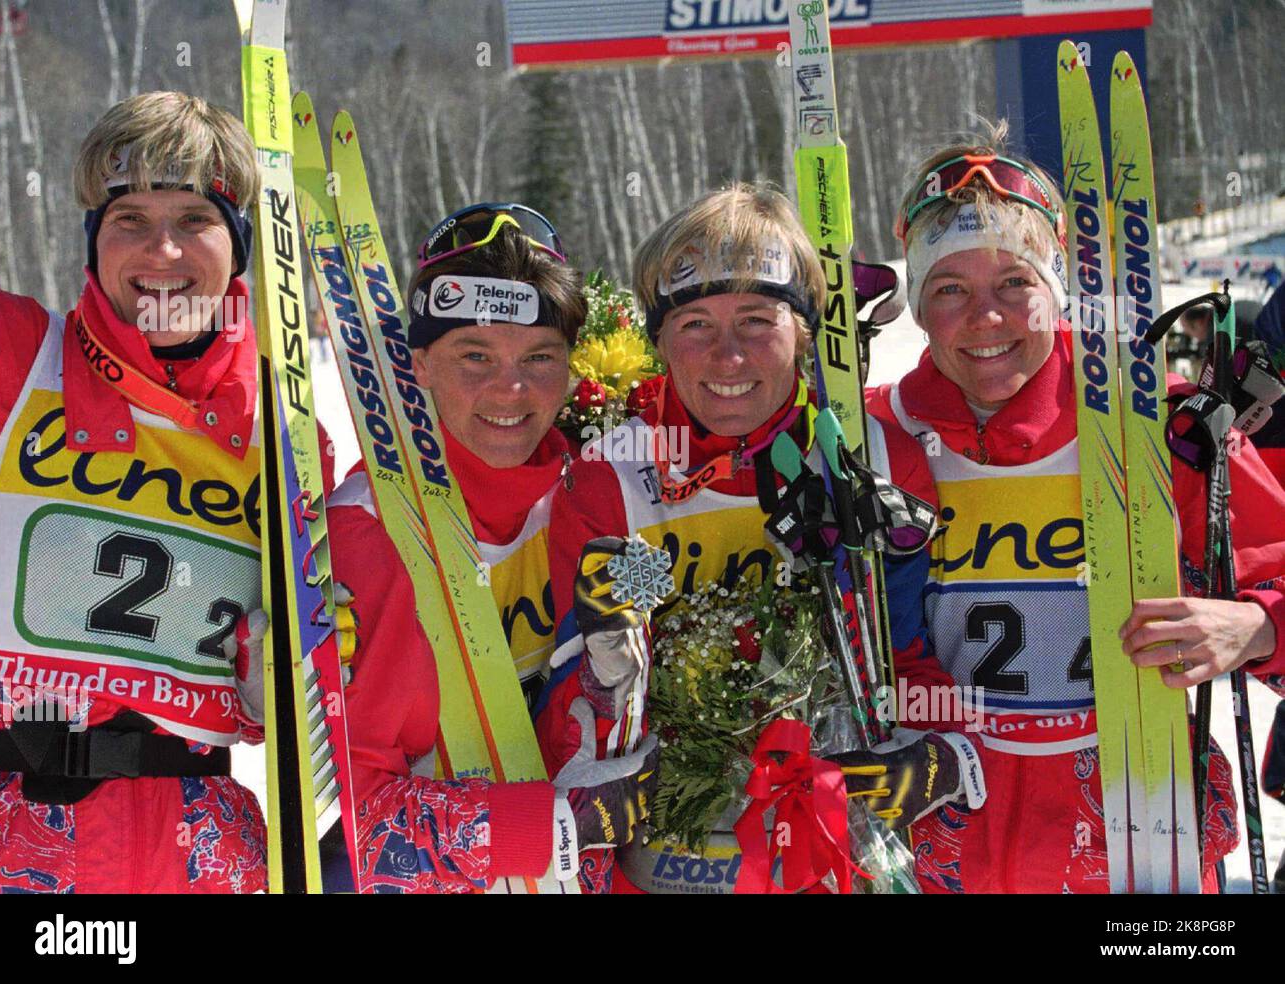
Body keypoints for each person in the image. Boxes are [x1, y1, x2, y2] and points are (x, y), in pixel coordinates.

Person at [862, 129, 1285, 893]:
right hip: (940, 849)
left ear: (1055, 287)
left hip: (1137, 841)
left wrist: (1257, 625)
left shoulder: (1159, 426)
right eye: (950, 288)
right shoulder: (876, 435)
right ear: (919, 306)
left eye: (1014, 283)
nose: (985, 318)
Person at [538, 183, 978, 893]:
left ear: (804, 329)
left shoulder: (873, 458)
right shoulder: (610, 478)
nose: (728, 356)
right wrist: (603, 678)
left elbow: (915, 654)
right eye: (695, 326)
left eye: (756, 320)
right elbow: (571, 715)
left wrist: (939, 754)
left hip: (839, 848)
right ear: (658, 340)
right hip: (672, 862)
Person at [296, 205, 657, 892]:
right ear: (419, 366)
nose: (510, 390)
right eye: (476, 357)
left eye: (539, 359)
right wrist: (551, 829)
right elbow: (363, 818)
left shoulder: (592, 503)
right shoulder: (370, 534)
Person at [0, 91, 269, 893]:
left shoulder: (286, 435)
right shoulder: (12, 359)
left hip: (202, 843)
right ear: (92, 241)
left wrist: (285, 674)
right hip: (16, 835)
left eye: (194, 219)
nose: (164, 253)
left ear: (239, 242)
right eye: (131, 221)